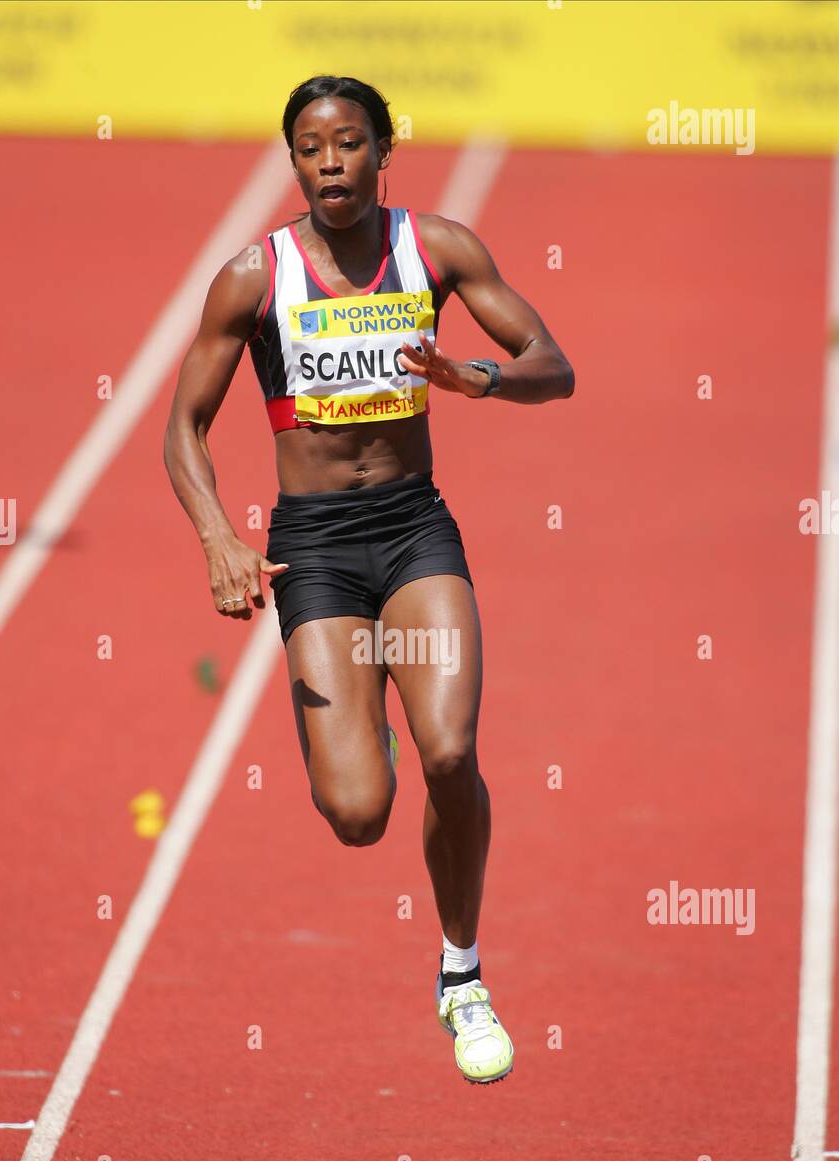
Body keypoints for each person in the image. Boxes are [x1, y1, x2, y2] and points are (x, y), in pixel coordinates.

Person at [164, 75, 574, 1085]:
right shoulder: (250, 279)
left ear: (382, 151)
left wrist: (469, 377)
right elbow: (183, 426)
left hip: (410, 530)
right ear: (292, 163)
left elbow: (550, 363)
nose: (330, 163)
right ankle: (361, 719)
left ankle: (461, 971)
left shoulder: (434, 249)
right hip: (313, 545)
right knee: (357, 813)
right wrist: (218, 535)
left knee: (451, 749)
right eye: (310, 148)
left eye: (349, 143)